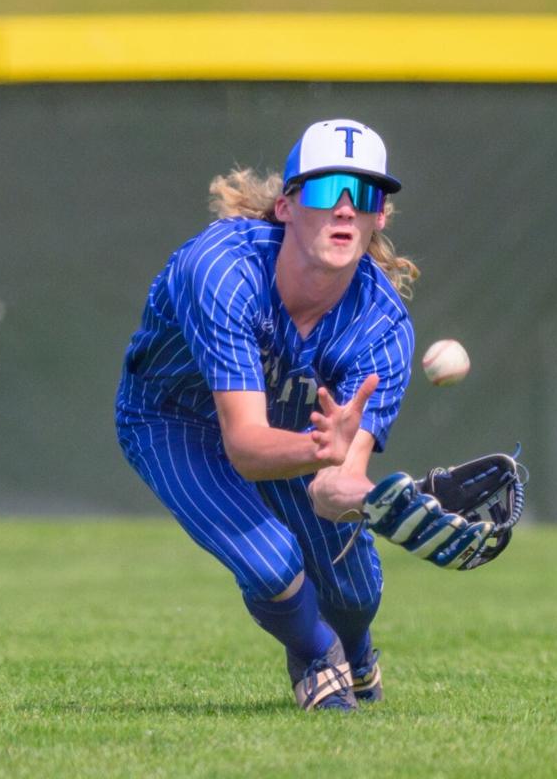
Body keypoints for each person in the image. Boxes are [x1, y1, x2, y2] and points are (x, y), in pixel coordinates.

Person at [115, 119, 419, 711]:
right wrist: (318, 452)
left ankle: (355, 648)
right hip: (171, 418)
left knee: (355, 589)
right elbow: (248, 448)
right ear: (285, 206)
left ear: (380, 217)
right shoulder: (223, 270)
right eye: (328, 190)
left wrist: (401, 507)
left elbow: (335, 487)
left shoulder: (383, 329)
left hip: (290, 428)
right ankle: (314, 654)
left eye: (365, 196)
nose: (345, 210)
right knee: (272, 562)